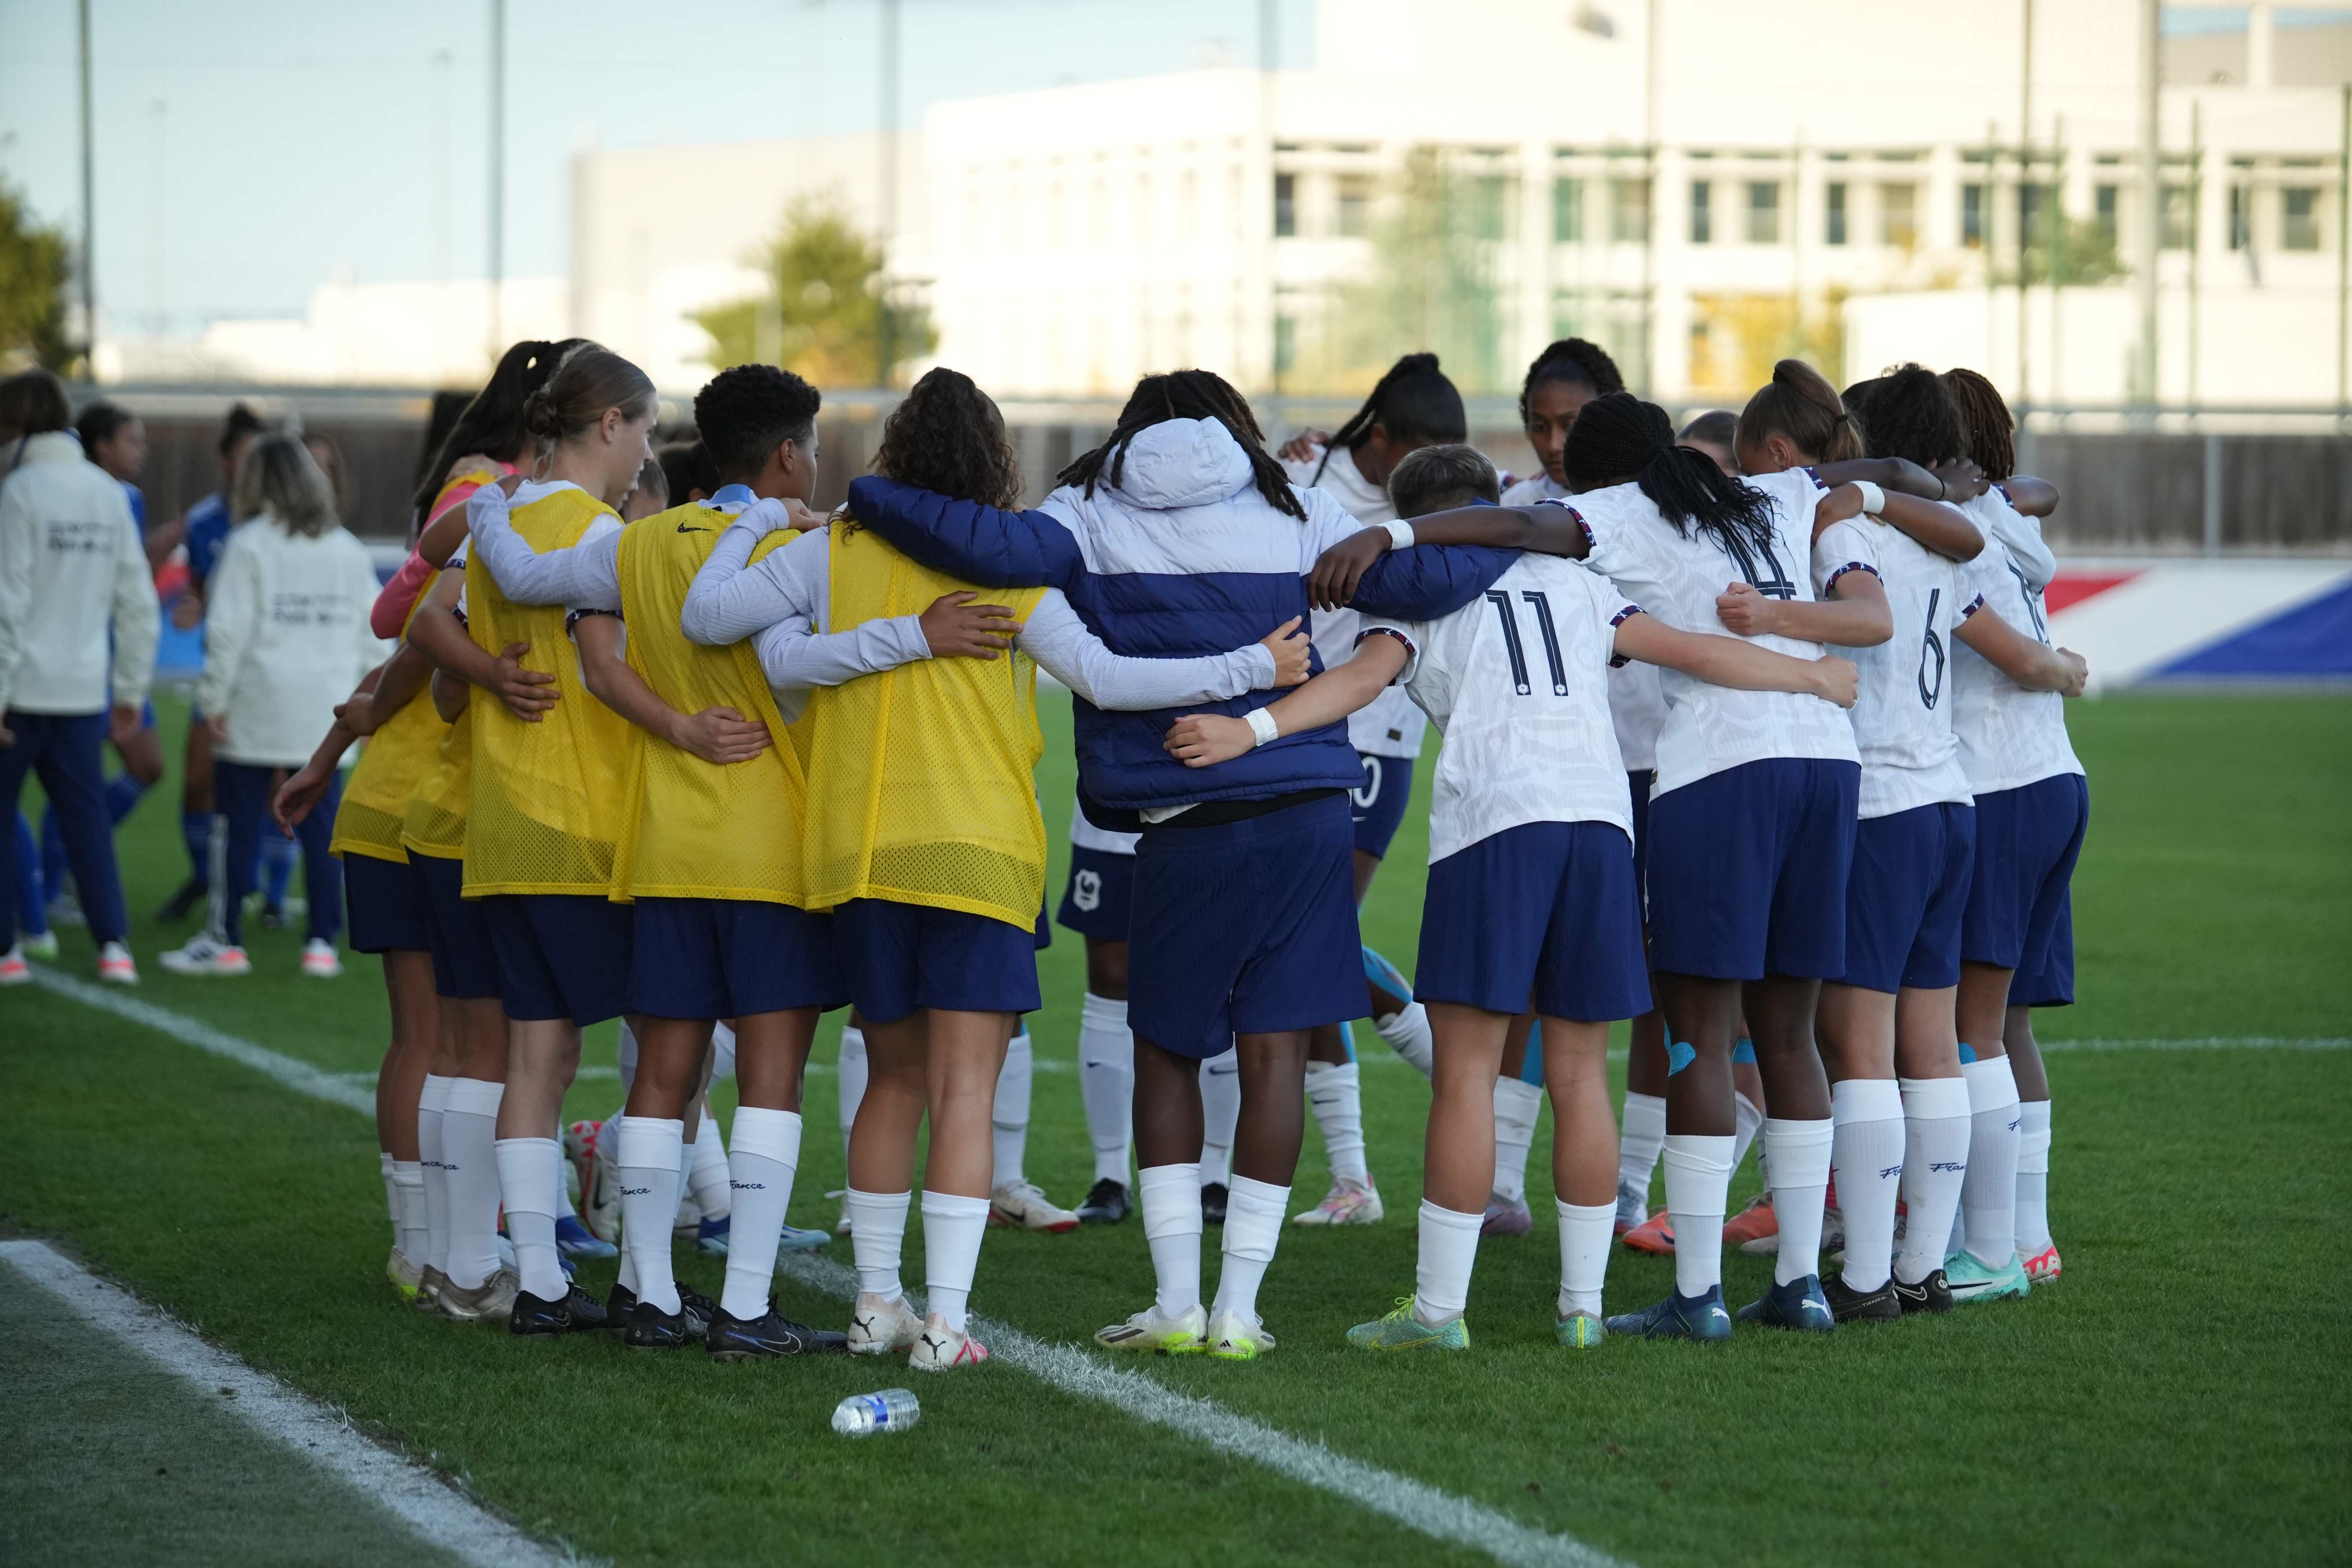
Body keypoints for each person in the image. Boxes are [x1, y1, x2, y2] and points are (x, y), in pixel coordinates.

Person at [835, 367, 1511, 1362]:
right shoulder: (1292, 503)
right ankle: (1238, 1308)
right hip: (1310, 801)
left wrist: (866, 493)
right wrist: (1517, 529)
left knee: (1163, 1048)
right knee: (1278, 1048)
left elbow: (983, 542)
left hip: (1186, 811)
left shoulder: (1092, 505)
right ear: (1235, 429)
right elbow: (1424, 581)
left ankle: (1175, 1302)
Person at [684, 366, 1313, 1370]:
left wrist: (767, 536)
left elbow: (724, 632)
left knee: (890, 1079)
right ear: (993, 461)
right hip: (976, 850)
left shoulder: (831, 545)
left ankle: (876, 1302)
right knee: (963, 1090)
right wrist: (1250, 671)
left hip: (857, 846)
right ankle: (945, 1321)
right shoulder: (1010, 565)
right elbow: (1107, 677)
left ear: (892, 453)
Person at [1172, 442, 1857, 1351]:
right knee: (1579, 1072)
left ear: (1416, 519)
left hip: (1495, 825)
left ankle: (1436, 1313)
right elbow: (1691, 649)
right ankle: (1578, 1309)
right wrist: (1809, 674)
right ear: (1494, 501)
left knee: (1466, 1069)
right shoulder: (1577, 580)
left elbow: (1355, 679)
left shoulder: (1422, 591)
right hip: (1600, 826)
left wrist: (1245, 730)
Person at [461, 361, 861, 1351]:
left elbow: (522, 579)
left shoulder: (635, 544)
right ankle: (745, 1307)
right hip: (769, 841)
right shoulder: (812, 546)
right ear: (785, 454)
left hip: (664, 845)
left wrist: (485, 515)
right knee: (770, 1073)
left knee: (660, 1069)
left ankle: (647, 1293)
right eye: (809, 448)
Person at [1727, 363, 1996, 1320]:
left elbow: (1860, 619)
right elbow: (1974, 536)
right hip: (1947, 801)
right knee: (1929, 1048)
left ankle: (1863, 1276)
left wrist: (1768, 615)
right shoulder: (1919, 527)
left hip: (1878, 801)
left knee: (1862, 1049)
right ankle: (1920, 1268)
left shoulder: (1840, 523)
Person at [456, 344, 658, 1330]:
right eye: (646, 429)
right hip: (583, 820)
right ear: (610, 425)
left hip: (502, 817)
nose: (647, 452)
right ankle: (648, 1273)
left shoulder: (499, 520)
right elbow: (611, 672)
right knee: (670, 1048)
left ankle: (538, 1279)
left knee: (537, 1054)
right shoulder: (595, 531)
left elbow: (432, 623)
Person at [1272, 353, 1460, 1228]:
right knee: (1302, 949)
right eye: (1415, 450)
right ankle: (1351, 1182)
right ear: (1377, 437)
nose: (1427, 470)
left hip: (1375, 739)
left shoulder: (1439, 505)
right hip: (1297, 730)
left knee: (1310, 941)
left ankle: (1458, 1074)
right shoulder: (1303, 475)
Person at [1931, 367, 2091, 1299]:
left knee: (1966, 1025)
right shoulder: (2009, 519)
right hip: (2051, 778)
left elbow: (2007, 653)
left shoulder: (1957, 541)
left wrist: (2059, 668)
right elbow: (2034, 489)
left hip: (1991, 782)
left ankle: (1987, 1246)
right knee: (2005, 1020)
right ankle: (2024, 1236)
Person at [160, 433, 387, 977]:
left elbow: (228, 634)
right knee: (322, 827)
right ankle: (321, 945)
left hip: (257, 703)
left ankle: (226, 939)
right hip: (327, 710)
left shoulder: (249, 544)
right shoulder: (347, 549)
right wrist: (372, 706)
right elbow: (375, 639)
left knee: (235, 823)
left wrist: (213, 698)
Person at [0, 369, 157, 986]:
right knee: (86, 818)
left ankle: (8, 949)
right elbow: (139, 603)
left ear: (13, 425)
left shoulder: (20, 490)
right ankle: (114, 945)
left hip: (19, 691)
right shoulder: (107, 492)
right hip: (83, 688)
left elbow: (7, 604)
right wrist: (127, 692)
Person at [27, 401, 166, 933]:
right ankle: (49, 882)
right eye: (132, 439)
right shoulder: (49, 492)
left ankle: (56, 864)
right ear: (101, 445)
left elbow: (128, 579)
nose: (142, 450)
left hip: (115, 656)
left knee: (147, 767)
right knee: (72, 778)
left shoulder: (127, 498)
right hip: (77, 657)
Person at [158, 402, 267, 924]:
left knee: (274, 783)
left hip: (270, 671)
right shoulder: (203, 522)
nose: (252, 466)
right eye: (245, 456)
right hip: (222, 669)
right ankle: (206, 878)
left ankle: (266, 894)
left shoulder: (282, 521)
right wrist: (194, 604)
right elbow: (200, 590)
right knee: (198, 778)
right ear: (226, 462)